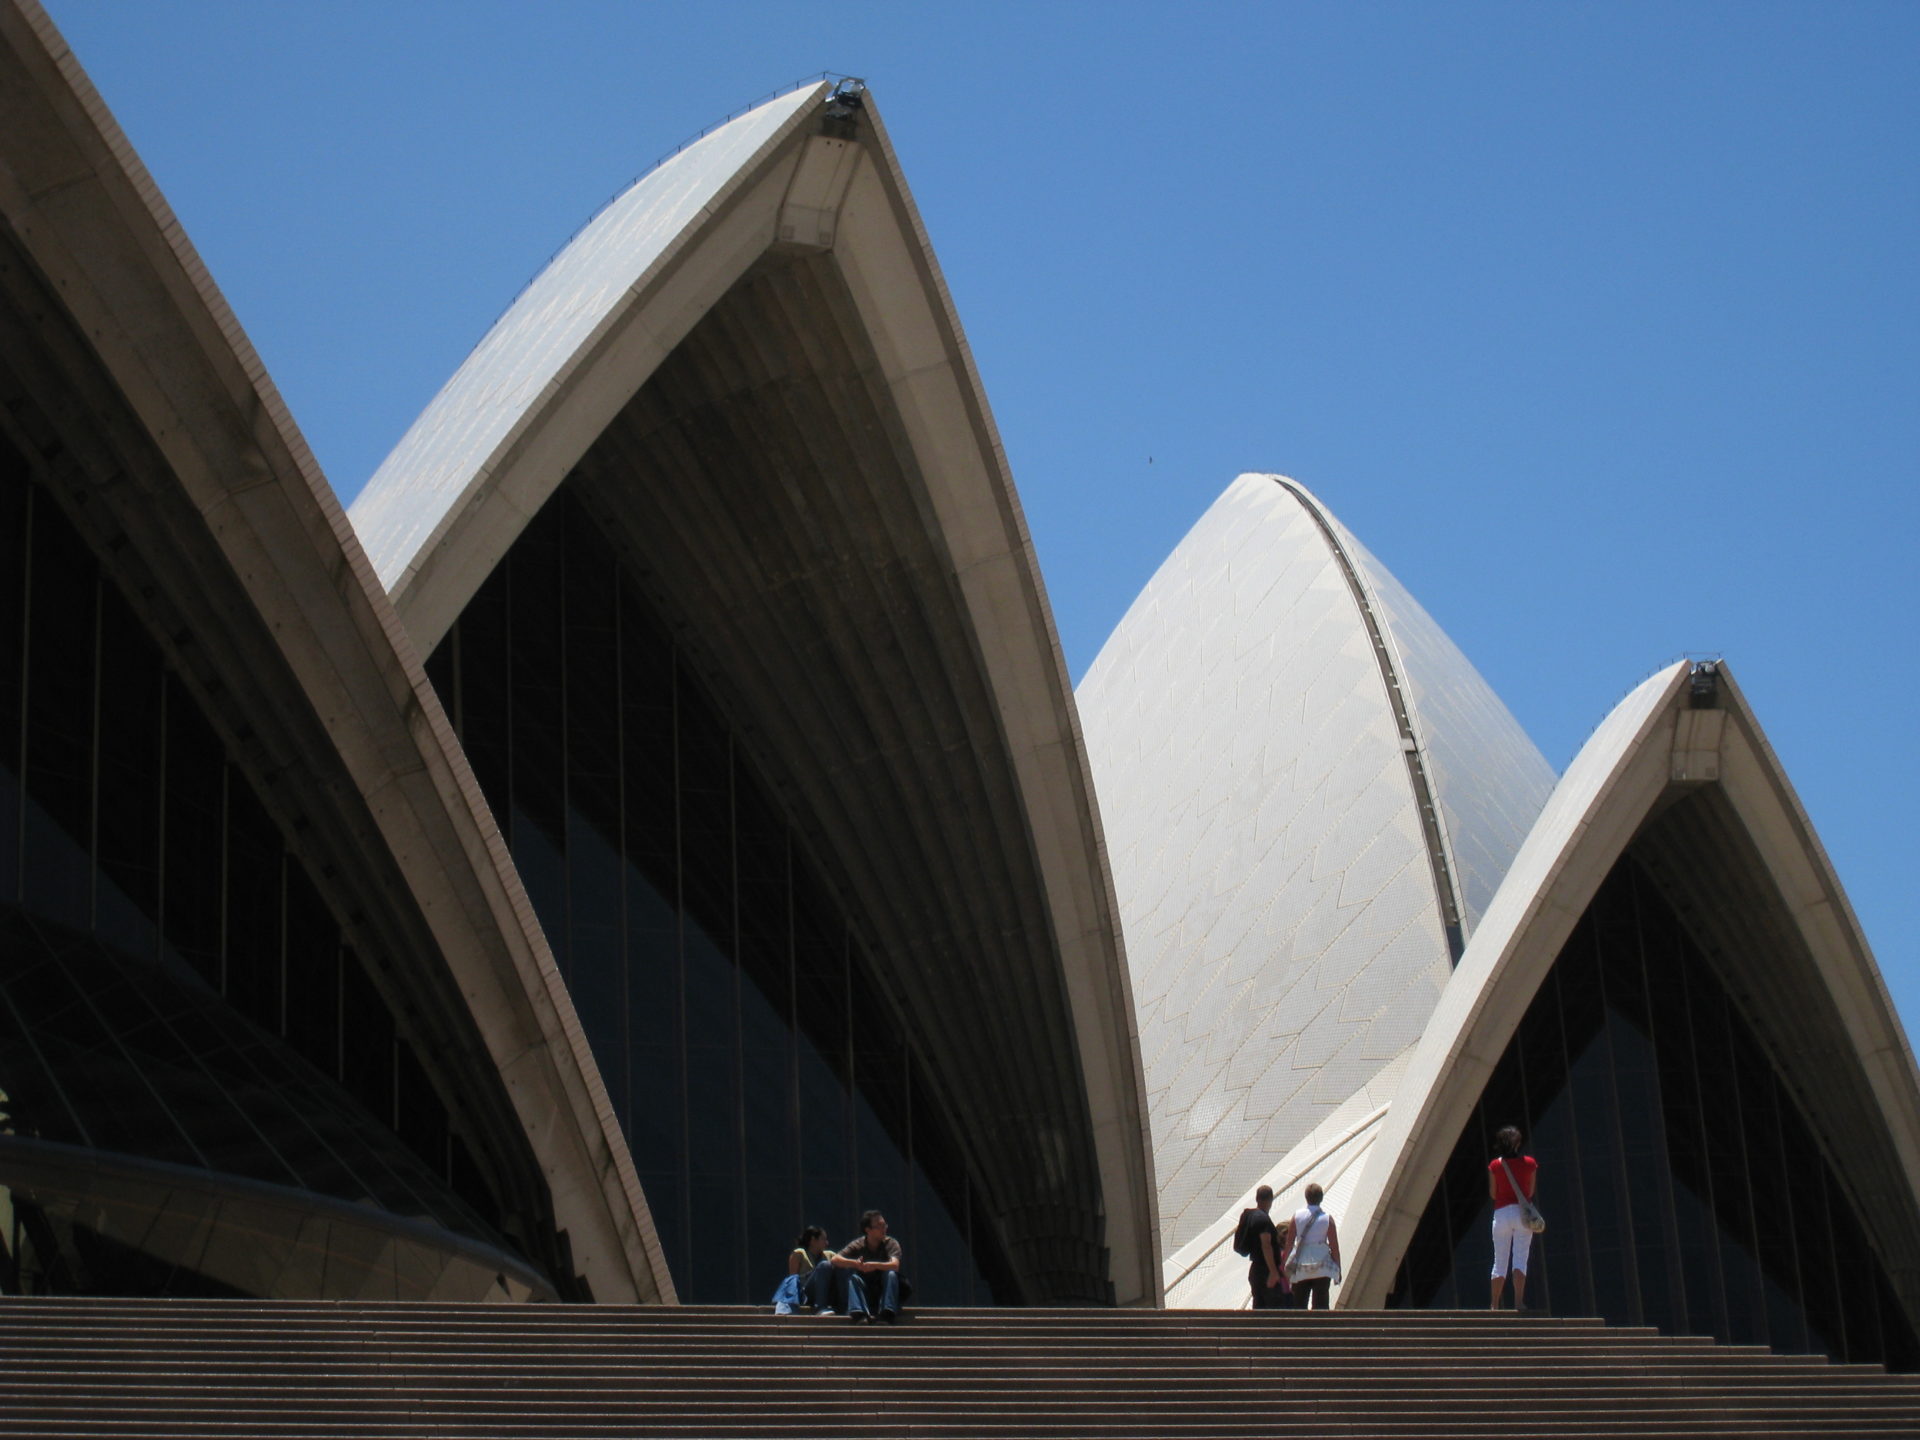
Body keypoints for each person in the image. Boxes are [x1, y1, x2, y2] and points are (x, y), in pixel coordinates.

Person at [1489, 1124, 1539, 1311]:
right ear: (1518, 1143)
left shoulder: (1495, 1165)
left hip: (1501, 1213)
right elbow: (1531, 1191)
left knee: (1499, 1260)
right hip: (1522, 1213)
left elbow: (1493, 1193)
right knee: (1520, 1259)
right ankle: (1518, 1302)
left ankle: (1494, 1304)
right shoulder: (1529, 1163)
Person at [830, 1209, 903, 1324]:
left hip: (883, 1288)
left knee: (891, 1274)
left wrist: (874, 1265)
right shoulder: (858, 1244)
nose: (884, 1228)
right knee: (853, 1278)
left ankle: (887, 1313)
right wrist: (855, 1264)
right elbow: (835, 1259)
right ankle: (859, 1314)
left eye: (884, 1225)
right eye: (879, 1226)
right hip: (866, 1289)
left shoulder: (891, 1243)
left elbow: (895, 1265)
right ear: (868, 1230)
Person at [1284, 1182, 1340, 1310]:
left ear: (1306, 1197)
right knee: (1321, 1304)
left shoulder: (1297, 1216)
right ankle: (1321, 1328)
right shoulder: (1327, 1219)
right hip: (1322, 1265)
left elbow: (1289, 1244)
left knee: (1299, 1303)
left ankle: (1300, 1328)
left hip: (1301, 1265)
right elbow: (1334, 1246)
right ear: (1321, 1198)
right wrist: (1338, 1266)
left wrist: (1285, 1265)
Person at [1237, 1184, 1286, 1308]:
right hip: (1266, 1270)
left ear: (1257, 1198)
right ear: (1270, 1200)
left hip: (1255, 1270)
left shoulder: (1249, 1216)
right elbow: (1266, 1245)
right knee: (1272, 1306)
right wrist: (1274, 1272)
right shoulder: (1262, 1220)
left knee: (1259, 1305)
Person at [771, 1225, 833, 1315]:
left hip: (826, 1292)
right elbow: (793, 1279)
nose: (826, 1243)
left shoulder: (829, 1255)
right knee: (823, 1266)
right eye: (823, 1239)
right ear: (813, 1240)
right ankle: (820, 1307)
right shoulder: (799, 1254)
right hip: (805, 1292)